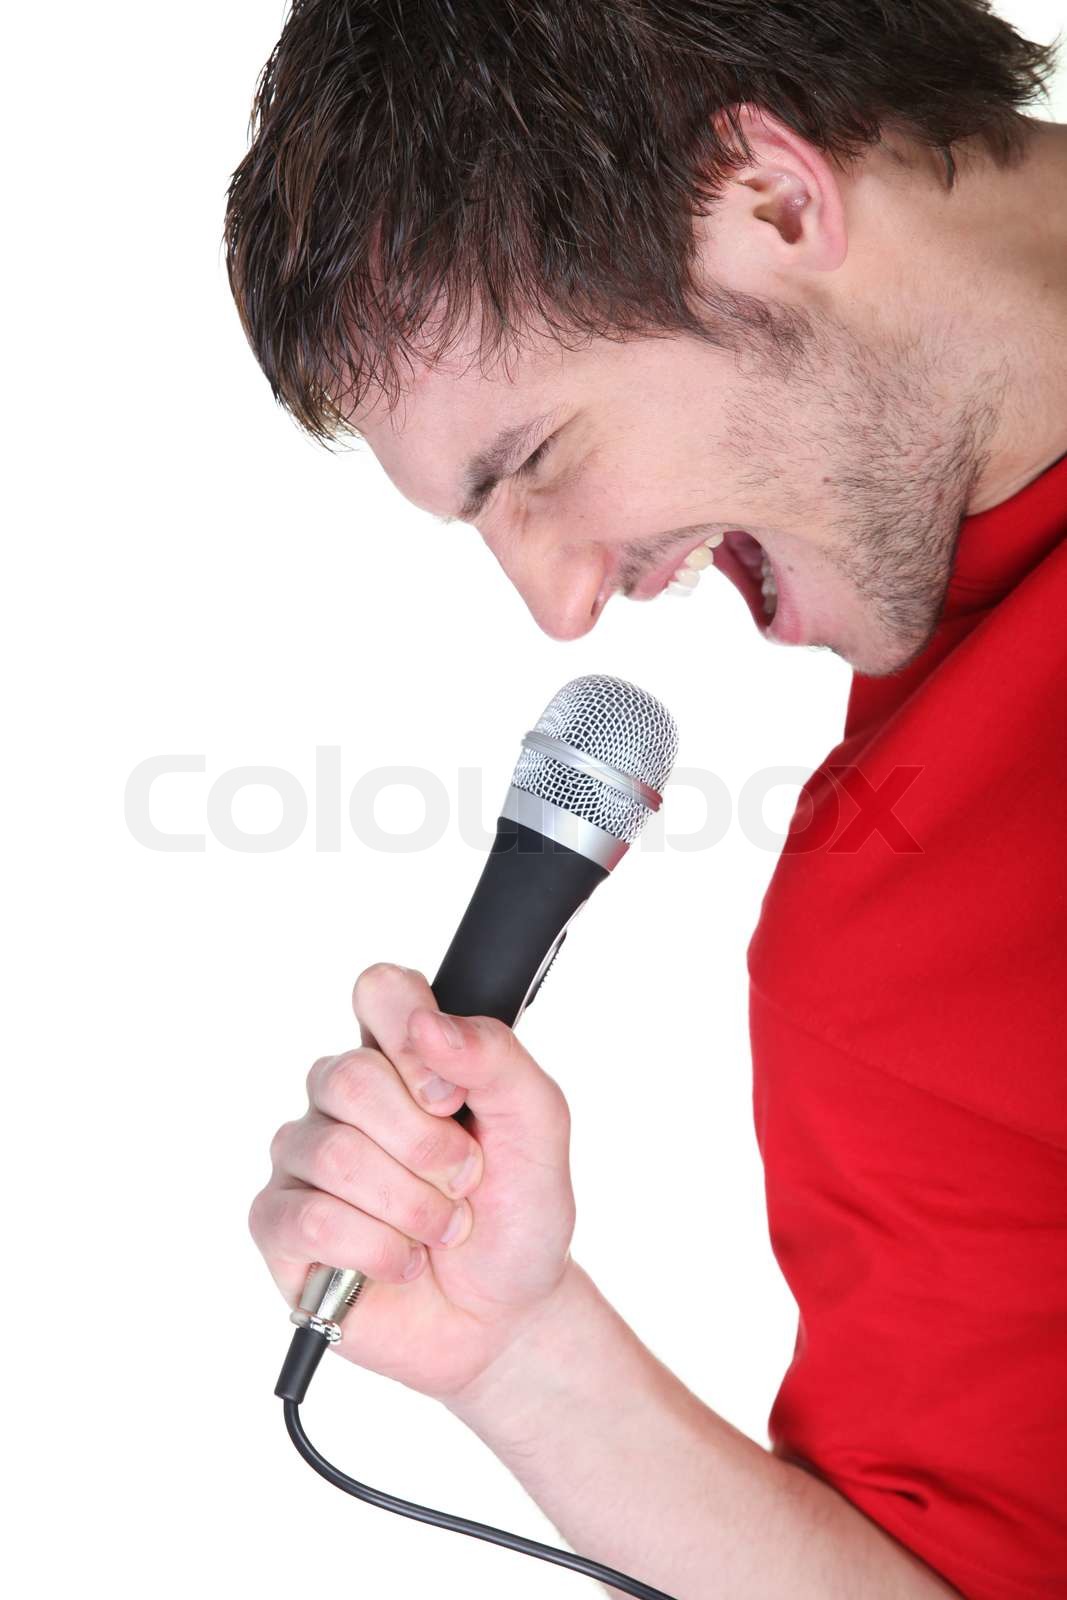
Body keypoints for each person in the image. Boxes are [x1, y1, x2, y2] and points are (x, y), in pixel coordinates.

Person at [225, 4, 1067, 1595]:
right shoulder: (899, 950)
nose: (560, 609)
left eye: (533, 458)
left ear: (768, 201)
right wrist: (519, 1354)